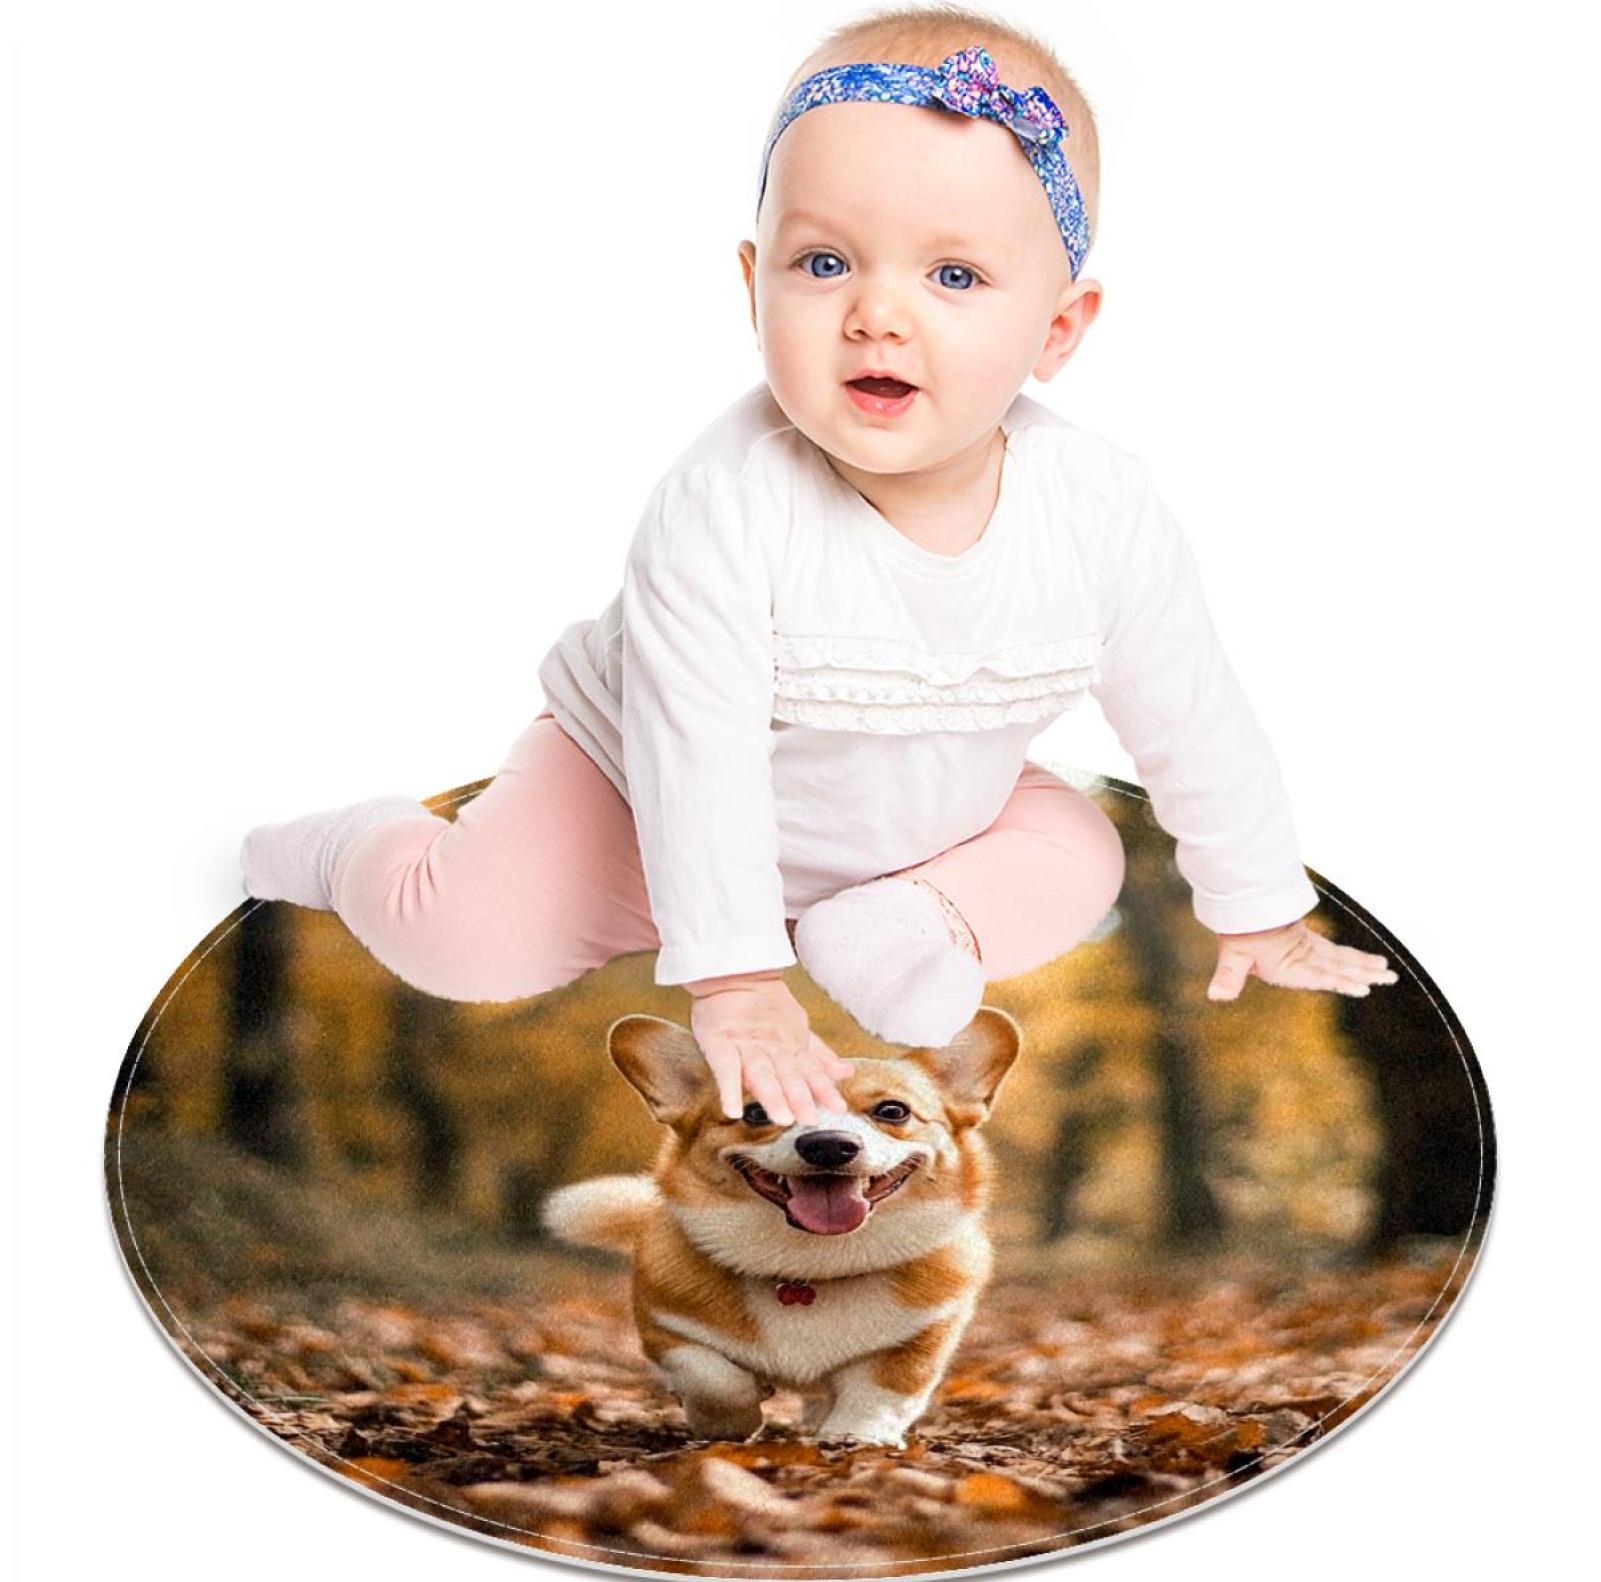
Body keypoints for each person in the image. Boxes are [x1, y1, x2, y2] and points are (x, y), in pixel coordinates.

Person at [240, 12, 1396, 1132]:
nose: (875, 315)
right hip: (636, 795)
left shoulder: (1099, 510)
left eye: (953, 277)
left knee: (1082, 851)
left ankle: (894, 922)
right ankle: (355, 846)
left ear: (1058, 327)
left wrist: (1258, 904)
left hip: (918, 819)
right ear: (753, 288)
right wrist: (736, 979)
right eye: (825, 261)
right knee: (466, 939)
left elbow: (1192, 716)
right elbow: (699, 750)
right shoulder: (724, 504)